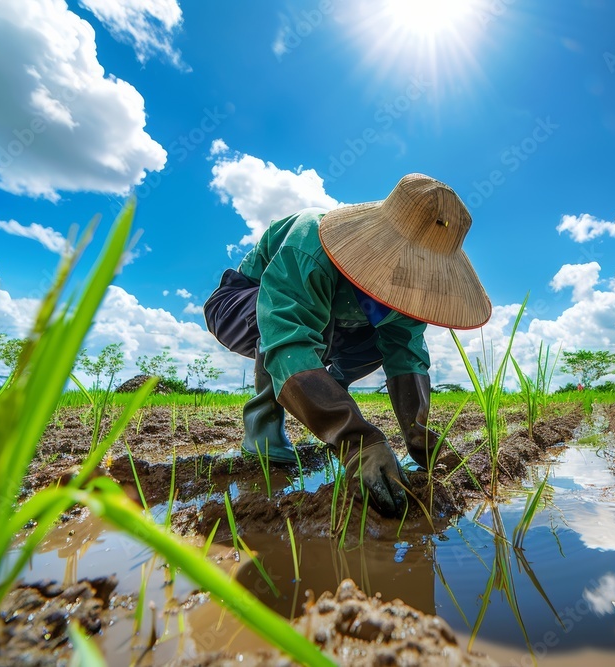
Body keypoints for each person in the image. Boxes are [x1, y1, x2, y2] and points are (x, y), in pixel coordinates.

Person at [204, 173, 491, 518]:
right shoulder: (310, 241)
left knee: (380, 341)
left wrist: (424, 445)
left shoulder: (410, 294)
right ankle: (263, 432)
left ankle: (325, 390)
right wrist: (358, 442)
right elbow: (286, 333)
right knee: (300, 327)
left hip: (331, 327)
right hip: (243, 306)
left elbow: (407, 357)